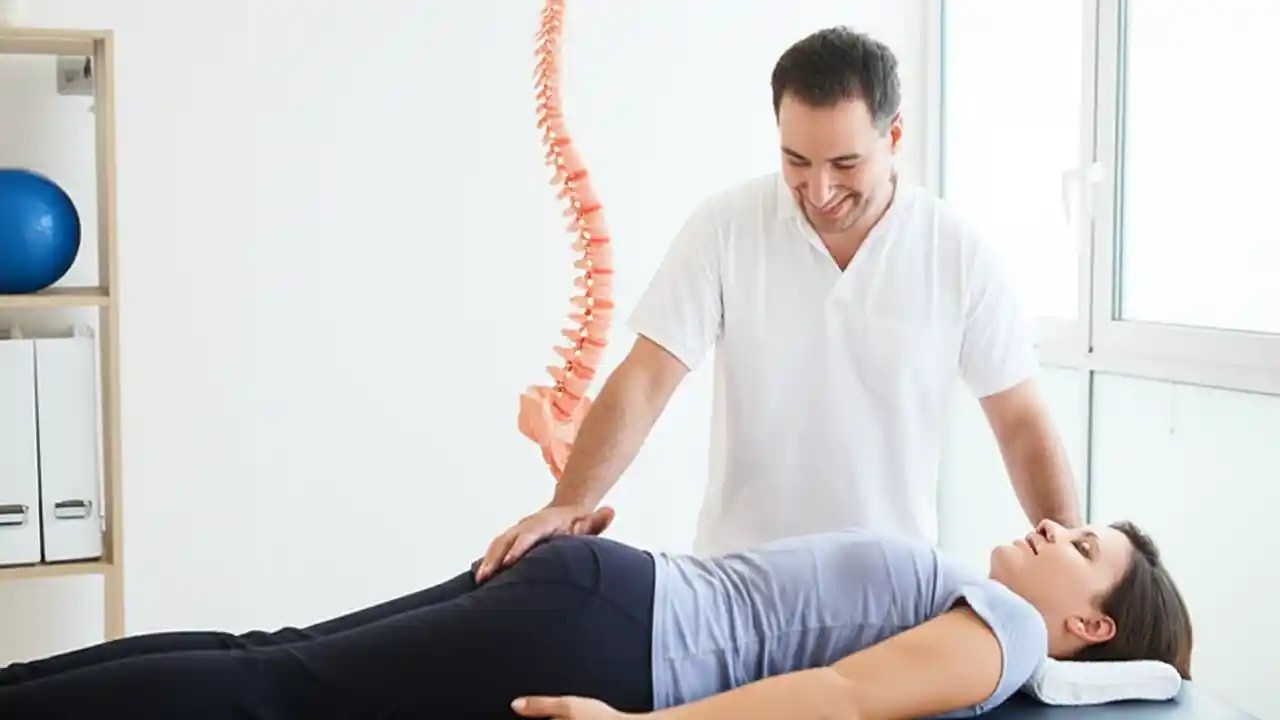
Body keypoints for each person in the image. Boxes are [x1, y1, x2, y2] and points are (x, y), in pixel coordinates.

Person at [479, 25, 1081, 581]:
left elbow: (1022, 424)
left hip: (891, 590)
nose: (819, 191)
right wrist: (568, 506)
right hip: (735, 584)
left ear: (893, 136)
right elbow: (645, 379)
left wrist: (1079, 565)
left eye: (846, 164)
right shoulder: (727, 225)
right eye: (797, 161)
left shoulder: (959, 253)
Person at [0, 518, 1192, 719]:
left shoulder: (1005, 635)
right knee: (281, 683)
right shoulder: (996, 612)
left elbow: (835, 699)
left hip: (604, 626)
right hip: (600, 606)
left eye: (1078, 551)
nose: (1052, 531)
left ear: (1088, 628)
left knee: (276, 674)